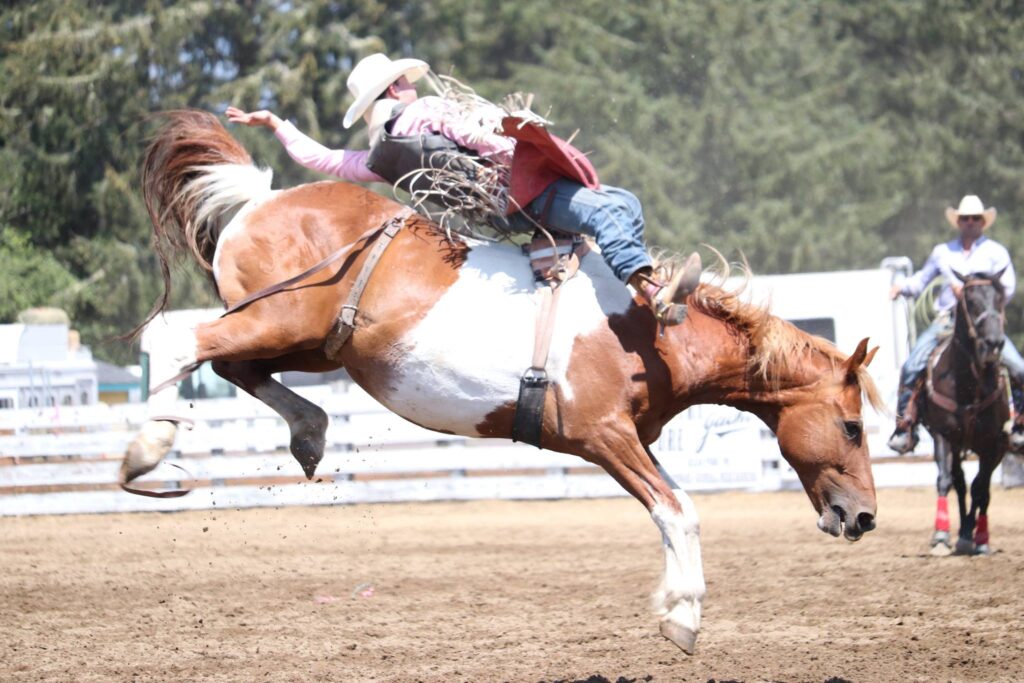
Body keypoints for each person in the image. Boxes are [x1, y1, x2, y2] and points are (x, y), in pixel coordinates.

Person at [225, 52, 700, 325]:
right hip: (519, 189)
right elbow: (477, 137)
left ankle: (567, 251)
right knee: (607, 213)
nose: (410, 86)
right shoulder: (424, 110)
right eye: (404, 82)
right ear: (393, 90)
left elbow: (325, 160)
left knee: (621, 201)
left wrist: (277, 125)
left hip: (493, 214)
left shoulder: (382, 156)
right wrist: (523, 142)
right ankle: (651, 291)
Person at [887, 194, 1024, 454]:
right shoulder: (943, 252)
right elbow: (920, 281)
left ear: (983, 222)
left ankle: (1020, 424)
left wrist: (978, 301)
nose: (970, 222)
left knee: (1019, 366)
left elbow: (1008, 288)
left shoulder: (996, 253)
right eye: (965, 218)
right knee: (913, 364)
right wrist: (900, 288)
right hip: (947, 321)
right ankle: (905, 426)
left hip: (984, 325)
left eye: (975, 218)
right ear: (958, 222)